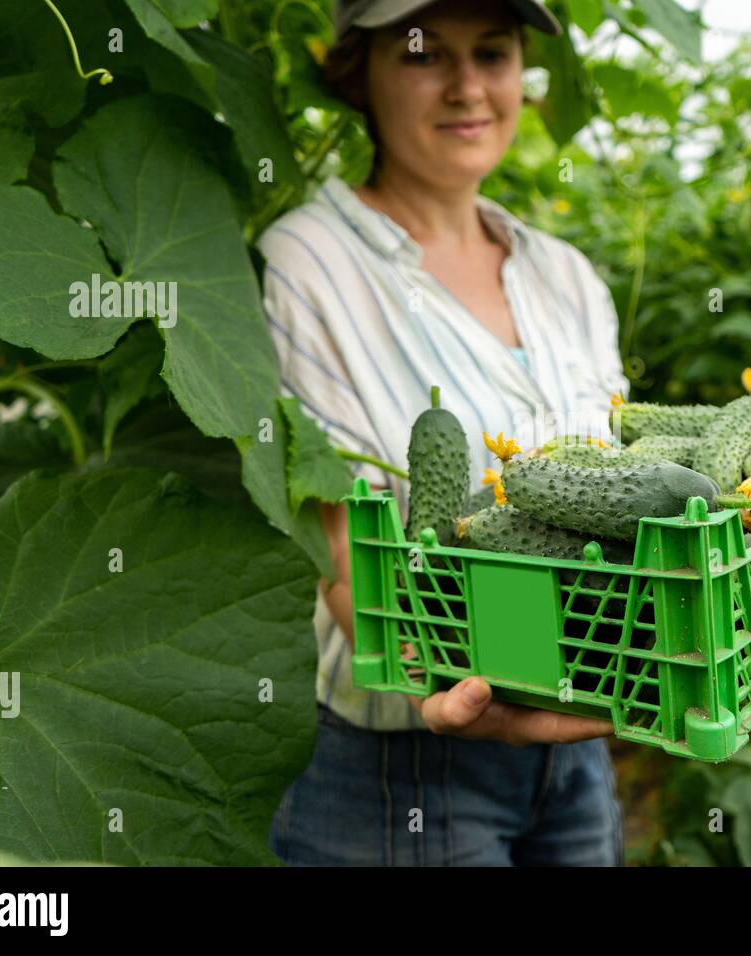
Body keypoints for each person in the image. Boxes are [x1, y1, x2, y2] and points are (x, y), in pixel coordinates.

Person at [258, 0, 630, 866]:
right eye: (426, 54)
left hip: (578, 739)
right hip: (397, 767)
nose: (468, 87)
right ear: (361, 74)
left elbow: (617, 488)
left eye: (492, 53)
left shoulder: (565, 276)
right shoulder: (305, 264)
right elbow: (342, 545)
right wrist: (433, 675)